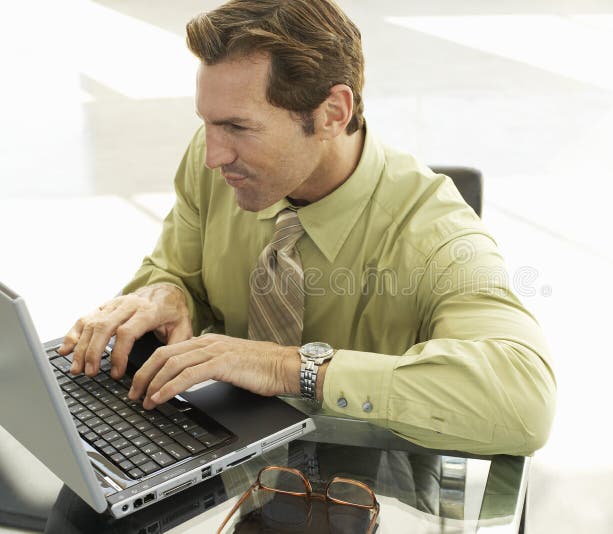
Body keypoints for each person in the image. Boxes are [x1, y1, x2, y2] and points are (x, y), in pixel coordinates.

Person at [58, 0, 556, 456]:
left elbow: (524, 400)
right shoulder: (213, 163)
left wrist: (287, 367)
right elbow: (176, 271)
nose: (212, 155)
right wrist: (166, 294)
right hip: (217, 462)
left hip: (361, 494)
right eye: (207, 123)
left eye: (237, 127)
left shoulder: (434, 234)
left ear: (332, 113)